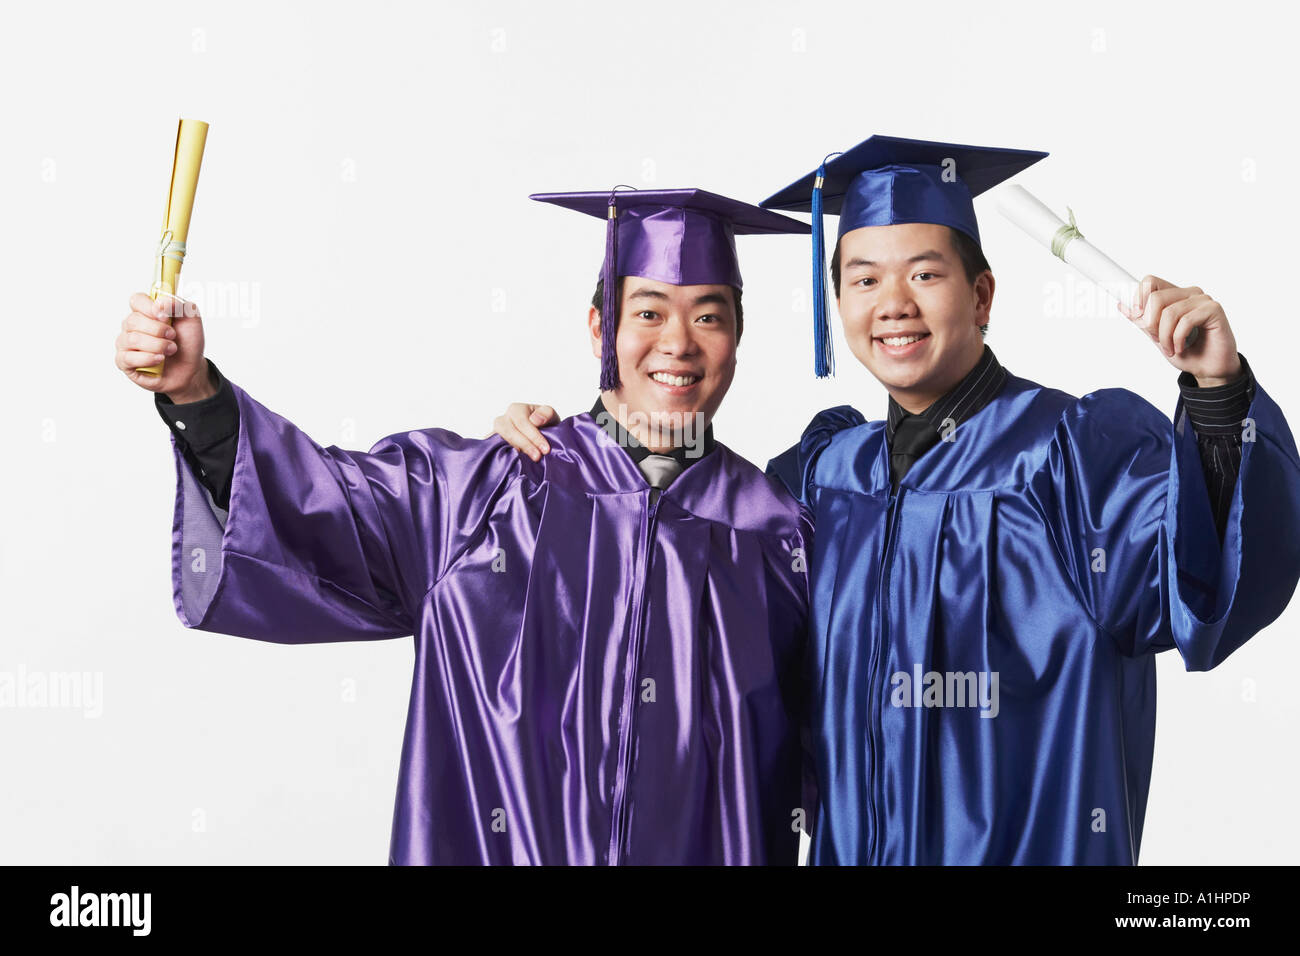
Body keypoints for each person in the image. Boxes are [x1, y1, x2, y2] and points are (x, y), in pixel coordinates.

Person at [491, 136, 1300, 864]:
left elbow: (1204, 587)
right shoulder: (821, 477)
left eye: (924, 275)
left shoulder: (1073, 455)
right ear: (837, 301)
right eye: (864, 278)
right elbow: (683, 529)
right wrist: (584, 445)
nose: (894, 305)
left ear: (982, 297)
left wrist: (1220, 396)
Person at [115, 188, 817, 865]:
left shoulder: (779, 537)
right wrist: (196, 394)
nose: (678, 344)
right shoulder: (480, 494)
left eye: (708, 317)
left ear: (737, 336)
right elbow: (319, 506)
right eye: (649, 313)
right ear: (601, 328)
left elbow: (848, 760)